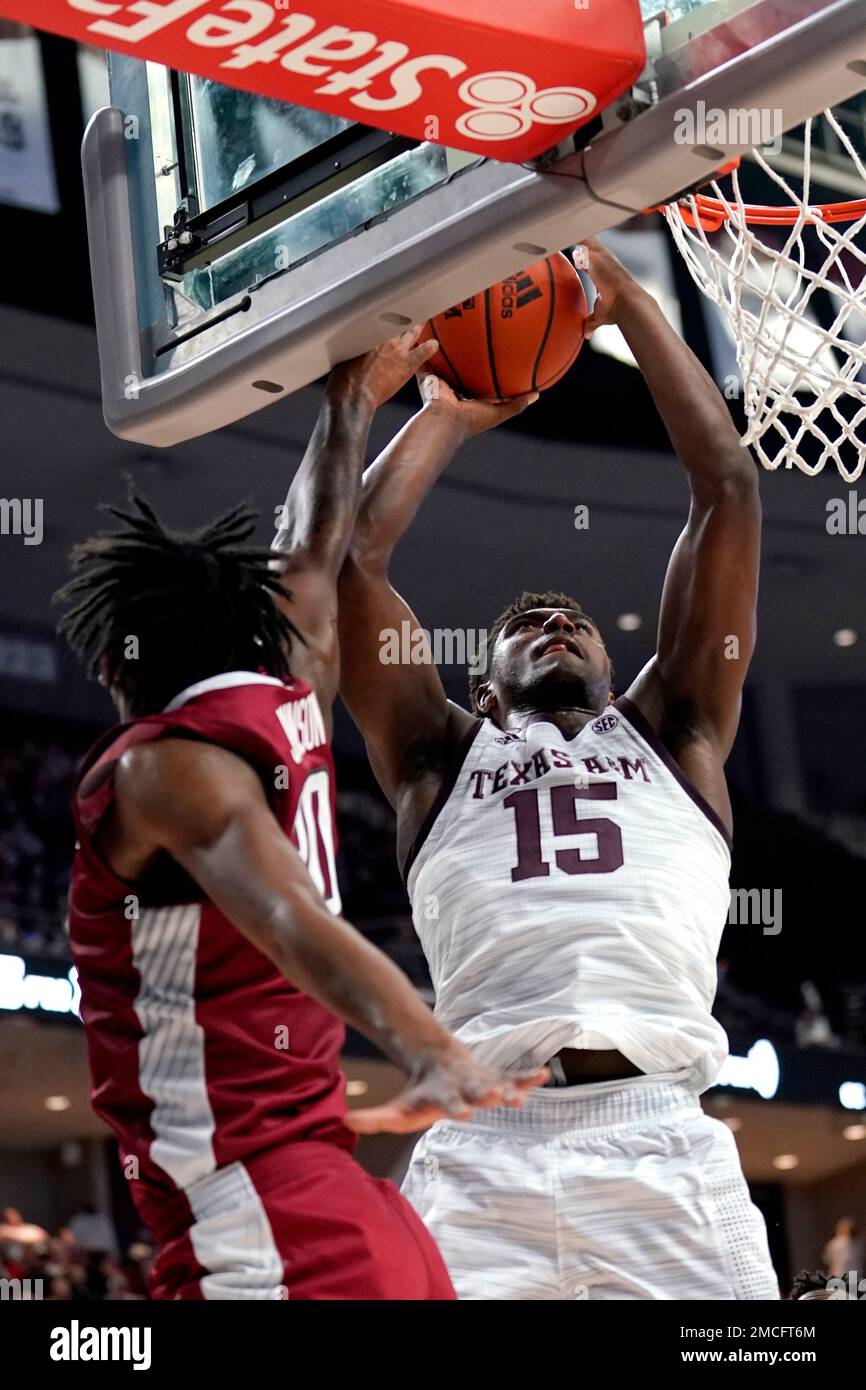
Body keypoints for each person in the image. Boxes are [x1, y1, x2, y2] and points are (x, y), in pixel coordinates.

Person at [57, 332, 545, 1301]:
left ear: (115, 663)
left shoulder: (160, 768)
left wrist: (426, 1047)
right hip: (343, 1207)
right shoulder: (294, 686)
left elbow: (289, 918)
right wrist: (374, 400)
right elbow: (320, 543)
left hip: (258, 1224)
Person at [337, 239, 779, 1299]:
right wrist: (445, 414)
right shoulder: (437, 757)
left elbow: (725, 488)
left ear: (617, 672)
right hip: (482, 1145)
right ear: (482, 689)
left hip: (657, 1138)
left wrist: (628, 302)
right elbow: (346, 560)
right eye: (526, 624)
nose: (554, 623)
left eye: (572, 621)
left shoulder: (676, 734)